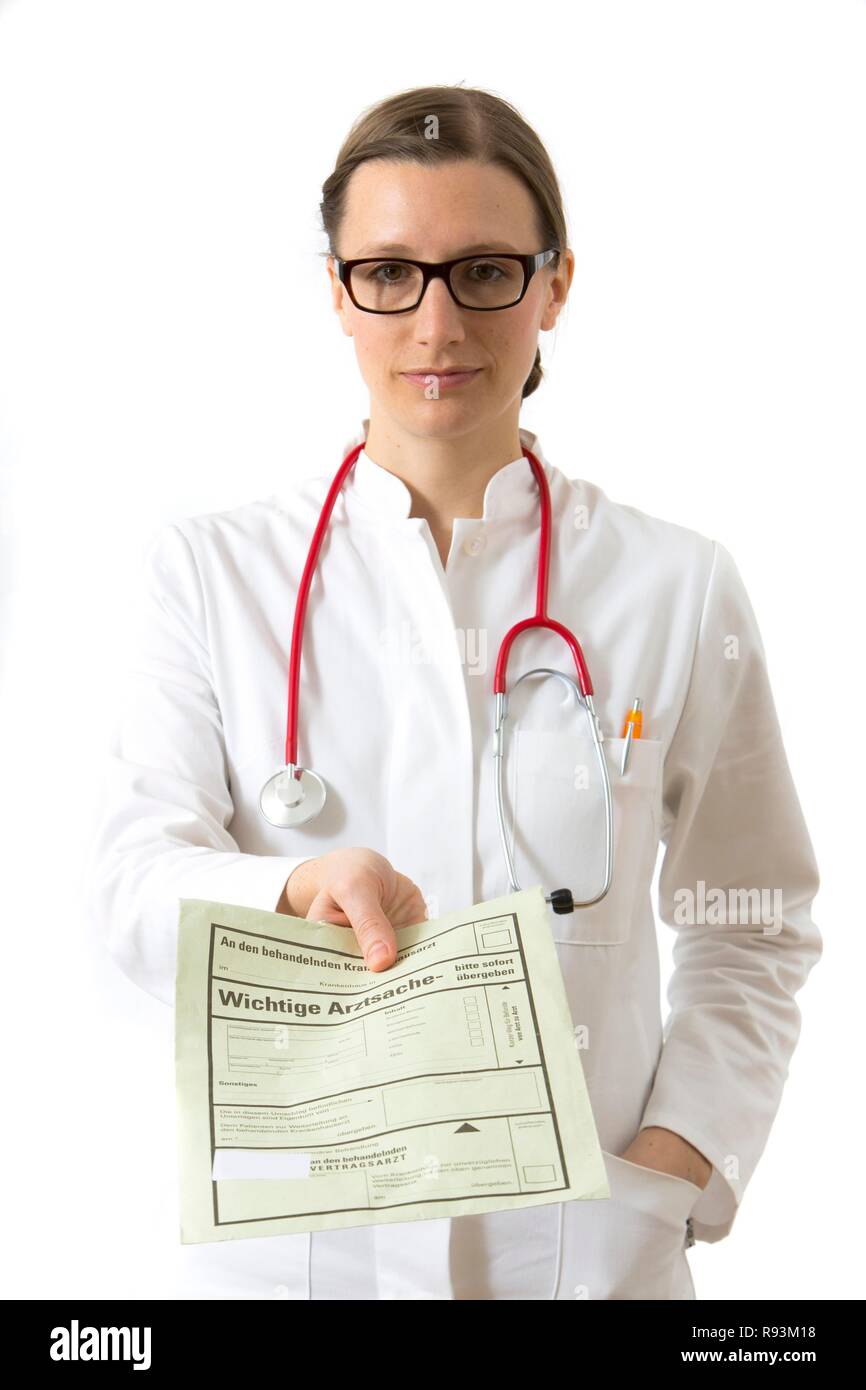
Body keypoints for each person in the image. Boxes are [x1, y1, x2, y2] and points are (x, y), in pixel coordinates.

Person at [86, 83, 822, 1301]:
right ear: (335, 288)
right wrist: (288, 881)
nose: (435, 323)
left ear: (554, 285)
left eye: (483, 271)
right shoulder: (211, 574)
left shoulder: (674, 585)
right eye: (388, 273)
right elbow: (126, 885)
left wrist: (671, 1165)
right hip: (295, 1259)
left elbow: (752, 921)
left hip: (582, 1258)